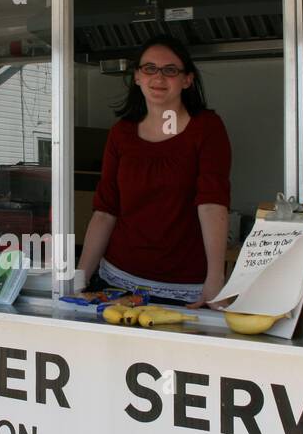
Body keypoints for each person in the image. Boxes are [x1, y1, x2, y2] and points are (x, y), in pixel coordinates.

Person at [76, 36, 231, 306]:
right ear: (137, 76)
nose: (158, 77)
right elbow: (104, 212)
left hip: (185, 287)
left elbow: (212, 205)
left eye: (170, 70)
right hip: (116, 282)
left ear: (187, 80)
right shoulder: (121, 133)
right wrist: (78, 279)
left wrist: (215, 279)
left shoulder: (207, 128)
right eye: (149, 68)